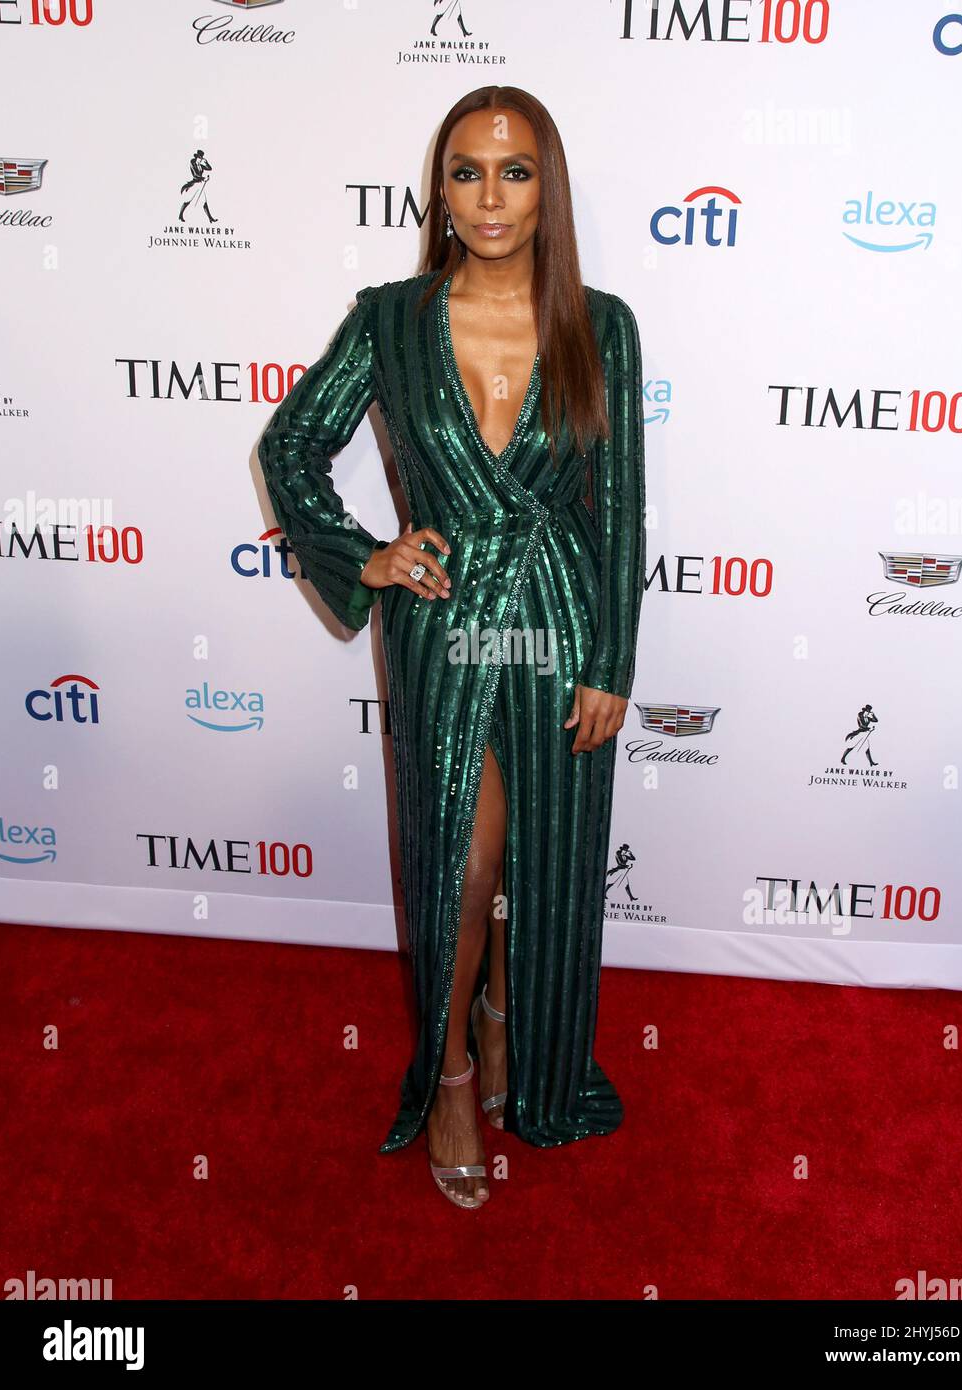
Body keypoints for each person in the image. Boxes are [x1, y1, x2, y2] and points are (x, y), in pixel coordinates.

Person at [257, 85, 646, 1211]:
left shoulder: (602, 323)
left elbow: (618, 509)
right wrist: (363, 553)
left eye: (515, 171)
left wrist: (612, 660)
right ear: (440, 188)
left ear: (547, 187)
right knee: (465, 866)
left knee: (551, 860)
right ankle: (452, 1078)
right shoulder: (389, 318)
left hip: (560, 618)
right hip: (441, 621)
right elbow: (290, 445)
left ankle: (513, 1021)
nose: (491, 196)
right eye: (468, 171)